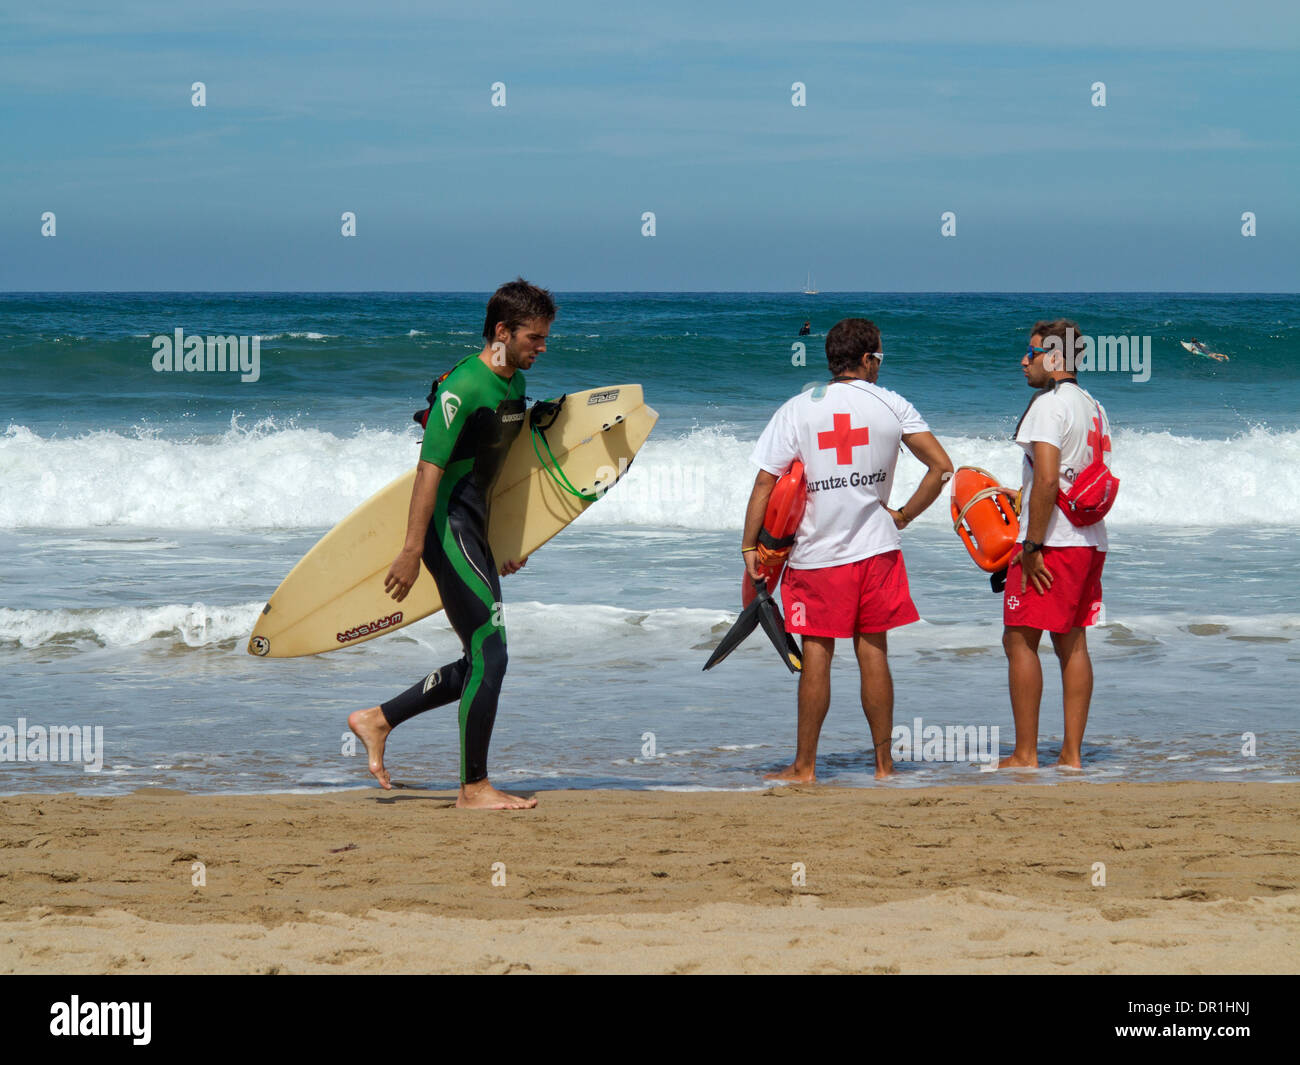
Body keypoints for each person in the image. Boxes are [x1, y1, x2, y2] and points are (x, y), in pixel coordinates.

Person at [347, 279, 554, 809]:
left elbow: (498, 473)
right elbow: (429, 470)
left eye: (545, 337)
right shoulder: (462, 387)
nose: (542, 347)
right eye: (534, 336)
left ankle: (377, 719)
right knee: (493, 652)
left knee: (481, 655)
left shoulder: (511, 388)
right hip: (445, 531)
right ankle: (473, 789)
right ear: (502, 332)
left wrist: (514, 538)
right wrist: (413, 549)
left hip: (476, 529)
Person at [745, 318, 953, 781]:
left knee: (817, 652)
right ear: (865, 359)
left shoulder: (797, 409)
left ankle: (804, 767)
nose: (879, 366)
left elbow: (765, 481)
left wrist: (749, 546)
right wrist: (901, 515)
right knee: (873, 652)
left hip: (818, 556)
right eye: (878, 358)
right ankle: (884, 765)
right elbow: (941, 468)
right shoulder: (891, 404)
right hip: (879, 549)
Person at [999, 319, 1111, 770]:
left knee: (1019, 640)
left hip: (1053, 544)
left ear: (1055, 358)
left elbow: (1048, 477)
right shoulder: (1094, 405)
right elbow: (1073, 474)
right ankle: (1072, 755)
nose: (1023, 361)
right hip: (1089, 541)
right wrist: (1023, 497)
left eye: (1031, 353)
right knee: (1073, 643)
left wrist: (1031, 544)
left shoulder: (1048, 405)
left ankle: (1026, 754)